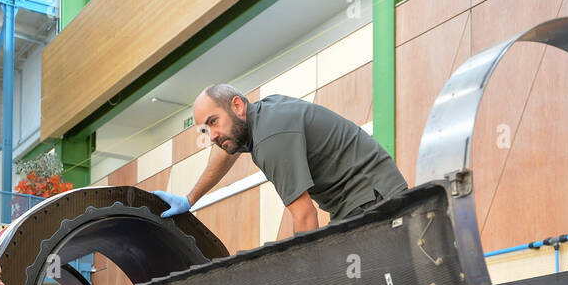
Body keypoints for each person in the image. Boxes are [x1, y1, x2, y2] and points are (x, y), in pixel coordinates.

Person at [155, 83, 408, 233]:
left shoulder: (269, 140)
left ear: (237, 106)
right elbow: (226, 150)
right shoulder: (261, 117)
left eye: (213, 122)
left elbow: (305, 216)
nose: (211, 136)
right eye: (205, 130)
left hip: (371, 196)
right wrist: (190, 199)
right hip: (360, 197)